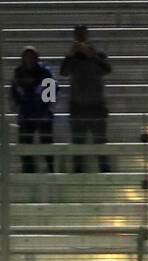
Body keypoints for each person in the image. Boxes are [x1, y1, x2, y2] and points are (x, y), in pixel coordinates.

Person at [59, 25, 112, 172]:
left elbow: (107, 69)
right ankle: (78, 173)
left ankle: (105, 172)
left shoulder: (97, 53)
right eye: (78, 35)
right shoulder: (72, 57)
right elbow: (63, 72)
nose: (81, 38)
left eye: (83, 34)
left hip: (96, 107)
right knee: (78, 144)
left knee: (100, 143)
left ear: (87, 36)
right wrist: (69, 55)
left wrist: (91, 55)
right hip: (78, 108)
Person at [10, 46, 55, 173]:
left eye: (31, 56)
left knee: (47, 143)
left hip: (42, 114)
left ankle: (50, 169)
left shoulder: (45, 72)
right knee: (25, 144)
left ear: (37, 58)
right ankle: (28, 171)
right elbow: (15, 92)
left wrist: (45, 106)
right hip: (26, 115)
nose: (29, 59)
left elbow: (51, 91)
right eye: (26, 56)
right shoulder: (18, 73)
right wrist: (18, 102)